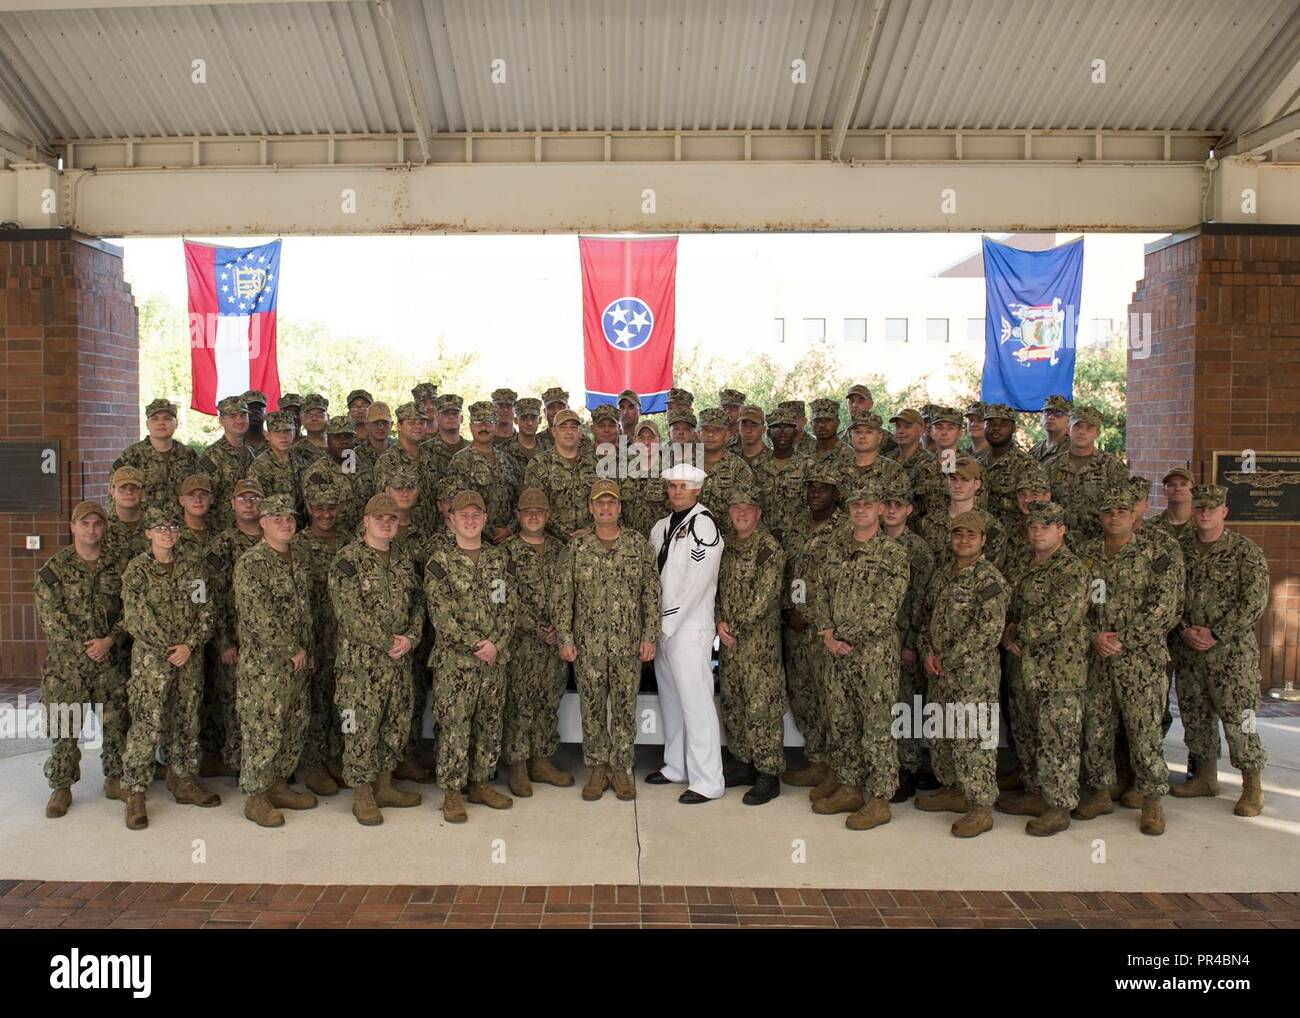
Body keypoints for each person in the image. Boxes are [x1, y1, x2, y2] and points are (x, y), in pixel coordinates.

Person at [1073, 487, 1180, 836]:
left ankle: (1152, 800)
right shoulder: (1086, 555)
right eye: (1108, 511)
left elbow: (1165, 607)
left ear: (1135, 513)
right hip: (1097, 657)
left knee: (1143, 730)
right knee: (1097, 727)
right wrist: (1093, 635)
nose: (1115, 516)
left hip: (1141, 659)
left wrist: (1123, 639)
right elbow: (1074, 603)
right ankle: (1101, 791)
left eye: (1122, 510)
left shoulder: (1156, 554)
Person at [811, 482, 911, 830]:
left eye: (868, 504)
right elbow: (817, 590)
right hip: (835, 652)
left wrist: (843, 635)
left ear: (882, 509)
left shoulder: (892, 554)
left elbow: (886, 607)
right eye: (855, 504)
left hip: (873, 655)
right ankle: (850, 786)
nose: (860, 510)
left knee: (877, 727)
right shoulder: (834, 548)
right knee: (841, 721)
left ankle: (880, 798)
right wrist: (826, 631)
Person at [555, 480, 660, 801]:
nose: (605, 508)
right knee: (593, 708)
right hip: (589, 646)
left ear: (620, 508)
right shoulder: (576, 548)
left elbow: (651, 593)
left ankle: (621, 769)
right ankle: (598, 768)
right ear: (591, 508)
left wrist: (649, 635)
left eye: (611, 503)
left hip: (628, 645)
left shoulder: (638, 545)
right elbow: (563, 596)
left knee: (626, 708)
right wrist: (565, 637)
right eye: (599, 503)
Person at [1170, 484, 1270, 817]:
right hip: (1189, 650)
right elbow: (1168, 596)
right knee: (1195, 716)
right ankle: (1205, 778)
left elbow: (1254, 602)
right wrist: (1184, 630)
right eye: (1199, 507)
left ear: (1225, 511)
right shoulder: (1178, 549)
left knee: (1240, 719)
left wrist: (1217, 633)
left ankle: (1252, 786)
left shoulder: (1245, 551)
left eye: (1212, 508)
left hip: (1231, 655)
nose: (1205, 513)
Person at [119, 506, 220, 830]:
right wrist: (168, 648)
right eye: (159, 527)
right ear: (148, 533)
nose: (167, 532)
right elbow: (136, 619)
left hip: (187, 659)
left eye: (172, 526)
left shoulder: (193, 569)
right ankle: (135, 791)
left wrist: (189, 644)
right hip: (153, 662)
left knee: (186, 720)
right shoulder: (137, 571)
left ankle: (183, 779)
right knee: (147, 724)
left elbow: (207, 610)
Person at [329, 494, 426, 825]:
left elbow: (418, 604)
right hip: (361, 665)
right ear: (365, 522)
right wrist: (387, 641)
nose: (387, 523)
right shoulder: (348, 561)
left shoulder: (402, 558)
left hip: (398, 661)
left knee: (395, 724)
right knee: (360, 726)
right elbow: (348, 612)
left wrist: (411, 638)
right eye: (380, 518)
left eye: (392, 519)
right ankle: (362, 793)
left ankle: (385, 785)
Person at [915, 511, 1010, 838]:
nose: (964, 540)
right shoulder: (942, 575)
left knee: (973, 738)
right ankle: (954, 789)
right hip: (940, 674)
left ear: (983, 540)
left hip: (972, 676)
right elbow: (924, 617)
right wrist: (928, 651)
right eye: (958, 534)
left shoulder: (989, 579)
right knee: (942, 735)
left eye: (971, 535)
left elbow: (989, 630)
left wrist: (948, 658)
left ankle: (981, 806)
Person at [33, 502, 130, 817]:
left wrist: (109, 640)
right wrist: (87, 646)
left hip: (110, 662)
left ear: (104, 528)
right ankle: (61, 787)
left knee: (116, 725)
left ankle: (115, 779)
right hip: (67, 668)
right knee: (64, 728)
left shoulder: (120, 567)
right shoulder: (54, 569)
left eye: (97, 524)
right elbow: (51, 617)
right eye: (84, 523)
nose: (91, 529)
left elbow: (131, 609)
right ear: (72, 527)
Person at [425, 490, 516, 822]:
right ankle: (452, 791)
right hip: (457, 664)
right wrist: (477, 644)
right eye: (463, 515)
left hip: (493, 662)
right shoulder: (440, 562)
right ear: (451, 520)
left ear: (485, 518)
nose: (470, 520)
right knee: (454, 726)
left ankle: (481, 782)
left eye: (476, 514)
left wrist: (496, 643)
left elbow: (508, 607)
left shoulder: (498, 559)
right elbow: (442, 616)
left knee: (489, 724)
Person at [999, 501, 1089, 836]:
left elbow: (1060, 616)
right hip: (1023, 667)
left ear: (1061, 530)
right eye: (1033, 526)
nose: (1037, 532)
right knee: (1026, 734)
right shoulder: (1024, 563)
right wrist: (1007, 631)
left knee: (1057, 740)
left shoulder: (1072, 570)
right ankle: (1035, 793)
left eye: (1046, 526)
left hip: (1058, 671)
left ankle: (1059, 805)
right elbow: (1007, 604)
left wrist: (1016, 634)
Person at [231, 494, 317, 827]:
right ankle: (255, 795)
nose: (285, 523)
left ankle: (279, 784)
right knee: (262, 728)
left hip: (297, 662)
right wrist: (290, 648)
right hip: (266, 666)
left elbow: (305, 612)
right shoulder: (252, 563)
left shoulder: (297, 558)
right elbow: (258, 616)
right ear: (262, 523)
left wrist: (306, 651)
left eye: (290, 518)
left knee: (293, 725)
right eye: (276, 518)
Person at [648, 462, 726, 803]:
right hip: (663, 629)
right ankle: (675, 765)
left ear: (698, 490)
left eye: (684, 486)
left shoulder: (704, 526)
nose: (676, 492)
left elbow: (696, 585)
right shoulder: (662, 526)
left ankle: (708, 780)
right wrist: (656, 626)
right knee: (672, 700)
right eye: (673, 486)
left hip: (689, 629)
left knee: (696, 704)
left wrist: (666, 624)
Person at [715, 487, 787, 806]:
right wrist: (720, 621)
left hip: (759, 646)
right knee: (735, 703)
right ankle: (744, 763)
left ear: (759, 513)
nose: (741, 513)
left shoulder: (768, 548)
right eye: (735, 509)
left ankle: (769, 773)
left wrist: (735, 625)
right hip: (730, 643)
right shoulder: (727, 546)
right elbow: (714, 588)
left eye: (748, 508)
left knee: (763, 707)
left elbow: (765, 596)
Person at [500, 488, 573, 795]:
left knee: (548, 700)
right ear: (518, 516)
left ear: (548, 516)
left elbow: (571, 592)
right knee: (520, 704)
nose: (533, 515)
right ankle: (517, 764)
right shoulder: (505, 552)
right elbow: (502, 599)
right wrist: (539, 628)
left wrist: (561, 629)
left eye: (539, 511)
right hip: (521, 643)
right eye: (527, 511)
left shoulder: (561, 550)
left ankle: (541, 759)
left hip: (555, 644)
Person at [292, 480, 349, 796]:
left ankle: (336, 757)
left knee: (340, 699)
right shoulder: (296, 545)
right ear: (309, 510)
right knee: (314, 700)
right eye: (319, 508)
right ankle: (314, 763)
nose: (326, 514)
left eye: (331, 507)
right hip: (313, 635)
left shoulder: (349, 543)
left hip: (343, 636)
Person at [1047, 405, 1129, 548]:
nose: (1082, 432)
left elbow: (1123, 507)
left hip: (1098, 545)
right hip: (1060, 545)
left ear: (1097, 433)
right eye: (1077, 426)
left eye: (1089, 428)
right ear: (1068, 430)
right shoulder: (1052, 466)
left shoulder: (1112, 466)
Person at [447, 400, 522, 543]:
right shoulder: (460, 462)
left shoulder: (508, 460)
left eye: (489, 421)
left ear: (495, 425)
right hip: (474, 538)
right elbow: (455, 506)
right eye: (478, 422)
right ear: (470, 426)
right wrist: (489, 531)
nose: (484, 427)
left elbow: (518, 501)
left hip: (508, 539)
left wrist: (509, 529)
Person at [112, 398, 199, 514]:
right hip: (145, 526)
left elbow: (200, 490)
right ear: (147, 424)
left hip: (182, 525)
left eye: (167, 418)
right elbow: (114, 494)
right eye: (155, 419)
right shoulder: (131, 455)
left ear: (176, 423)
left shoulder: (189, 455)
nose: (161, 423)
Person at [524, 408, 597, 542]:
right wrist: (567, 536)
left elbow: (602, 502)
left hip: (590, 541)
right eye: (563, 427)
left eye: (574, 428)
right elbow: (535, 506)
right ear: (553, 432)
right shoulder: (539, 464)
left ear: (580, 433)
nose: (569, 432)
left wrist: (590, 530)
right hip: (551, 542)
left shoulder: (594, 463)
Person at [196, 395, 254, 533]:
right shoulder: (212, 456)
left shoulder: (252, 452)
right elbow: (204, 499)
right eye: (232, 416)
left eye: (243, 415)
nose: (239, 420)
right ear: (221, 420)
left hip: (251, 527)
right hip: (222, 531)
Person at [1028, 395, 1072, 462]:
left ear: (1069, 421)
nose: (1050, 417)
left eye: (1058, 413)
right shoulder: (1035, 450)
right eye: (1047, 412)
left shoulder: (1075, 451)